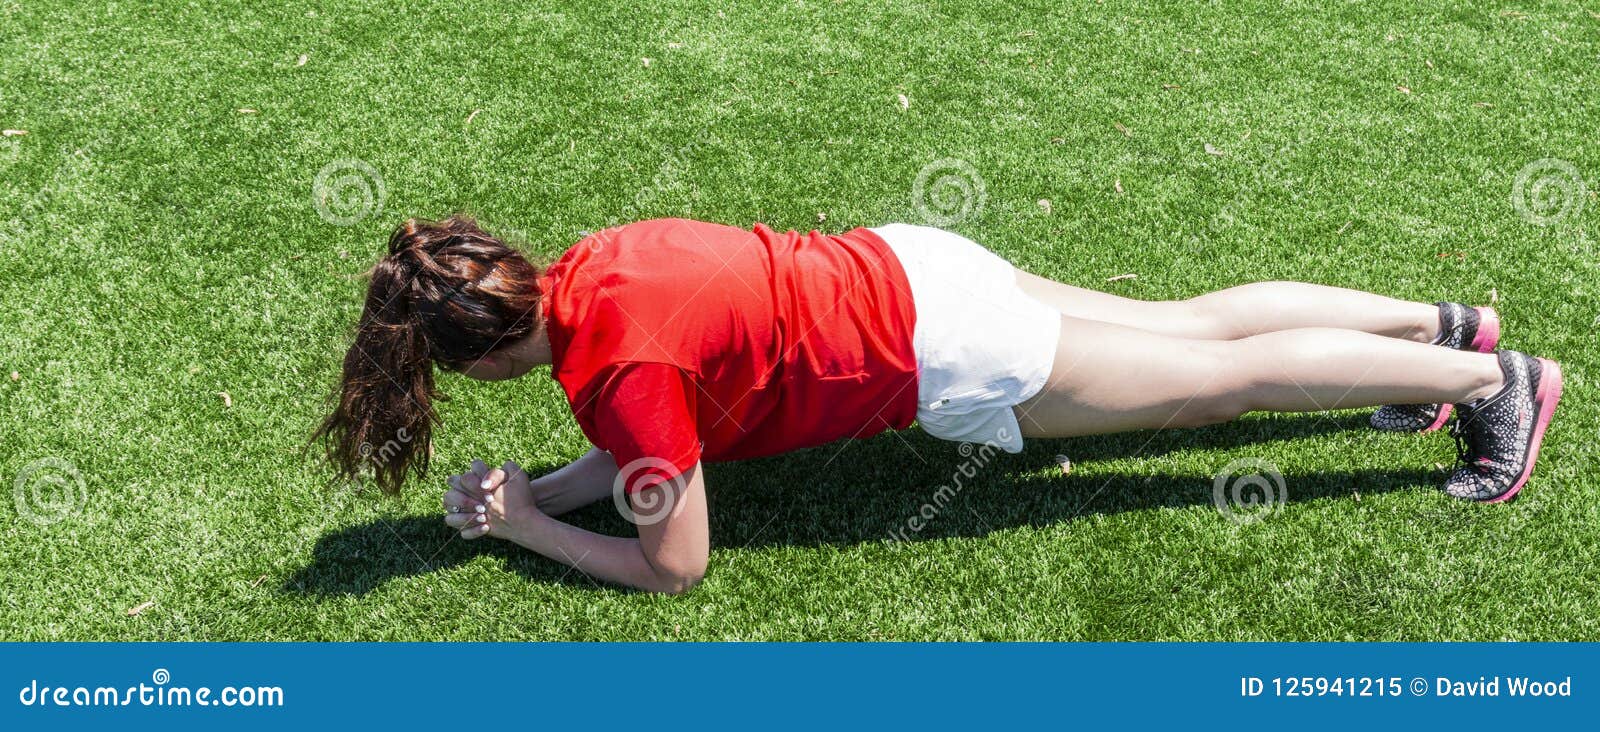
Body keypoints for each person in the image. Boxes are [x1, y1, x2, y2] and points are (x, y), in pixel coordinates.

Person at [314, 216, 1564, 594]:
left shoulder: (622, 381)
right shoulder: (595, 267)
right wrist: (544, 488)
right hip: (916, 263)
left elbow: (675, 559)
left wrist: (527, 526)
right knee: (1188, 321)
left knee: (1207, 387)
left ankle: (1486, 385)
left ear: (485, 356)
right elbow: (650, 450)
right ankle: (1445, 329)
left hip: (955, 347)